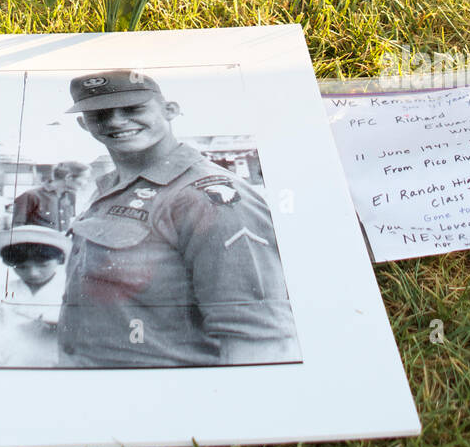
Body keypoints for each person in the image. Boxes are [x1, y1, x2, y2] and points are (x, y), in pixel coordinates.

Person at [56, 69, 300, 368]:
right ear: (83, 123)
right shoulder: (109, 187)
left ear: (170, 110)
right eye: (100, 113)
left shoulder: (208, 197)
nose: (116, 121)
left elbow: (257, 337)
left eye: (133, 108)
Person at [0, 224, 68, 366]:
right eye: (22, 267)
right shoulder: (2, 292)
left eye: (43, 265)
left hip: (57, 364)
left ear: (59, 259)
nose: (33, 273)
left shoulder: (69, 290)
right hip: (11, 362)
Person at [11, 161, 93, 232]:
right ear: (69, 177)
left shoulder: (71, 196)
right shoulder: (30, 196)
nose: (85, 183)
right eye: (85, 178)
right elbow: (17, 229)